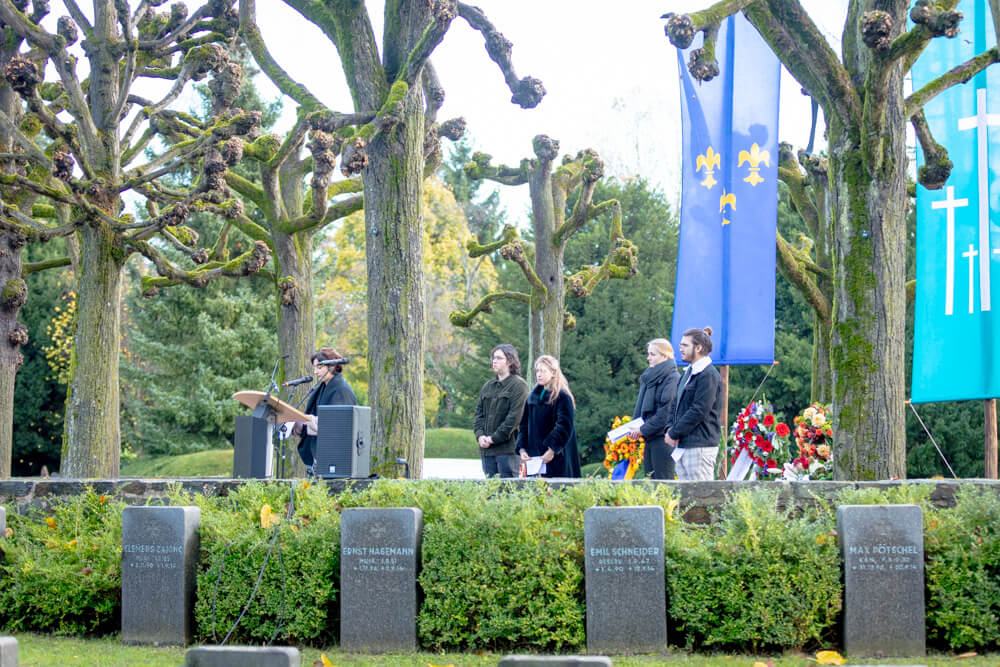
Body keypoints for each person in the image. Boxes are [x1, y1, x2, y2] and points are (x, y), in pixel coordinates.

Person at [664, 326, 723, 481]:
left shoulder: (708, 374)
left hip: (700, 446)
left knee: (702, 498)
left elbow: (699, 410)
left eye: (685, 345)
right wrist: (669, 428)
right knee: (685, 501)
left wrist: (674, 432)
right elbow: (676, 404)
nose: (680, 349)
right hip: (683, 444)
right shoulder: (688, 372)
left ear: (698, 348)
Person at [516, 355, 582, 478]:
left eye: (543, 371)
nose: (539, 374)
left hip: (558, 457)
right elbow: (524, 425)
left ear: (553, 372)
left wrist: (552, 450)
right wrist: (522, 449)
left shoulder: (562, 396)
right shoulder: (532, 398)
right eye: (537, 371)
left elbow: (564, 426)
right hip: (535, 458)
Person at [296, 347, 357, 474]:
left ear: (332, 366)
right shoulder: (321, 389)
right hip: (320, 457)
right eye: (314, 368)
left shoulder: (341, 390)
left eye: (319, 367)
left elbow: (337, 425)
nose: (315, 371)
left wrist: (310, 421)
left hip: (336, 459)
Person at [473, 344, 530, 478]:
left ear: (510, 361)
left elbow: (514, 419)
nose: (494, 361)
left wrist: (493, 438)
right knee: (491, 494)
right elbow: (478, 415)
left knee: (508, 493)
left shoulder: (519, 386)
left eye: (499, 358)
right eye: (493, 358)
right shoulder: (488, 386)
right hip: (487, 452)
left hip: (507, 452)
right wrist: (480, 436)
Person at [629, 338, 680, 480]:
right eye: (648, 354)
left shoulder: (672, 378)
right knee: (650, 484)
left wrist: (642, 430)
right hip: (650, 438)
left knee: (663, 485)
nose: (648, 358)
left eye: (652, 354)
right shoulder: (650, 378)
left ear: (664, 356)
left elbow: (665, 413)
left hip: (663, 440)